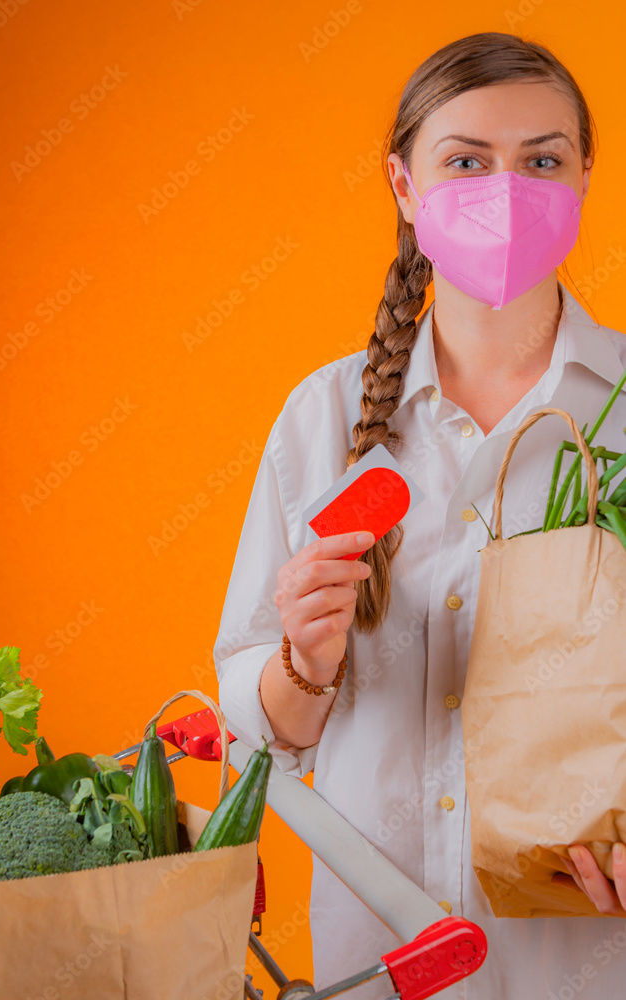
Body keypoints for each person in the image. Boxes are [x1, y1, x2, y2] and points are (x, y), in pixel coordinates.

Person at [214, 30, 626, 999]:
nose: (506, 187)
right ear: (403, 186)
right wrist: (302, 665)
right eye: (465, 161)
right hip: (378, 961)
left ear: (582, 177)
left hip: (585, 958)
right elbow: (254, 730)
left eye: (541, 160)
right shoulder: (323, 419)